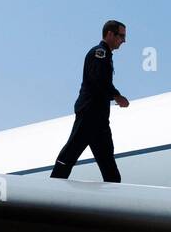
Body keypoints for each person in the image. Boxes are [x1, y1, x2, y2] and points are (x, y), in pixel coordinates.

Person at [51, 20, 130, 181]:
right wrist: (116, 96)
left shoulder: (106, 55)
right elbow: (98, 81)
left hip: (99, 118)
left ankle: (114, 195)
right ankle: (52, 187)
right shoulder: (99, 53)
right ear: (109, 34)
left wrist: (114, 95)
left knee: (108, 164)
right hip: (90, 114)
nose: (123, 40)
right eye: (121, 36)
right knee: (70, 153)